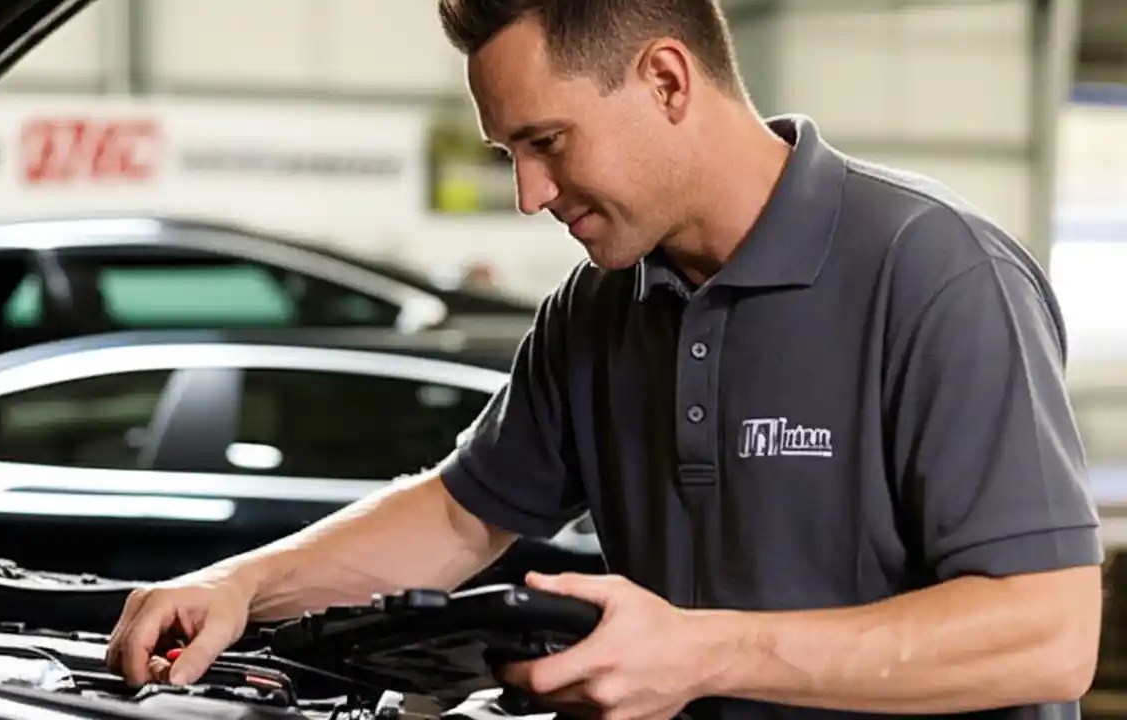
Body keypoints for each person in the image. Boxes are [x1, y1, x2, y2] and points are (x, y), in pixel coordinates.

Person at [105, 1, 1105, 718]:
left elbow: (1046, 632)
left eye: (546, 141)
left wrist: (702, 654)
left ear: (666, 80)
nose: (529, 194)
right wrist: (241, 586)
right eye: (510, 155)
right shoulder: (596, 310)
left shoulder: (932, 272)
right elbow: (460, 512)